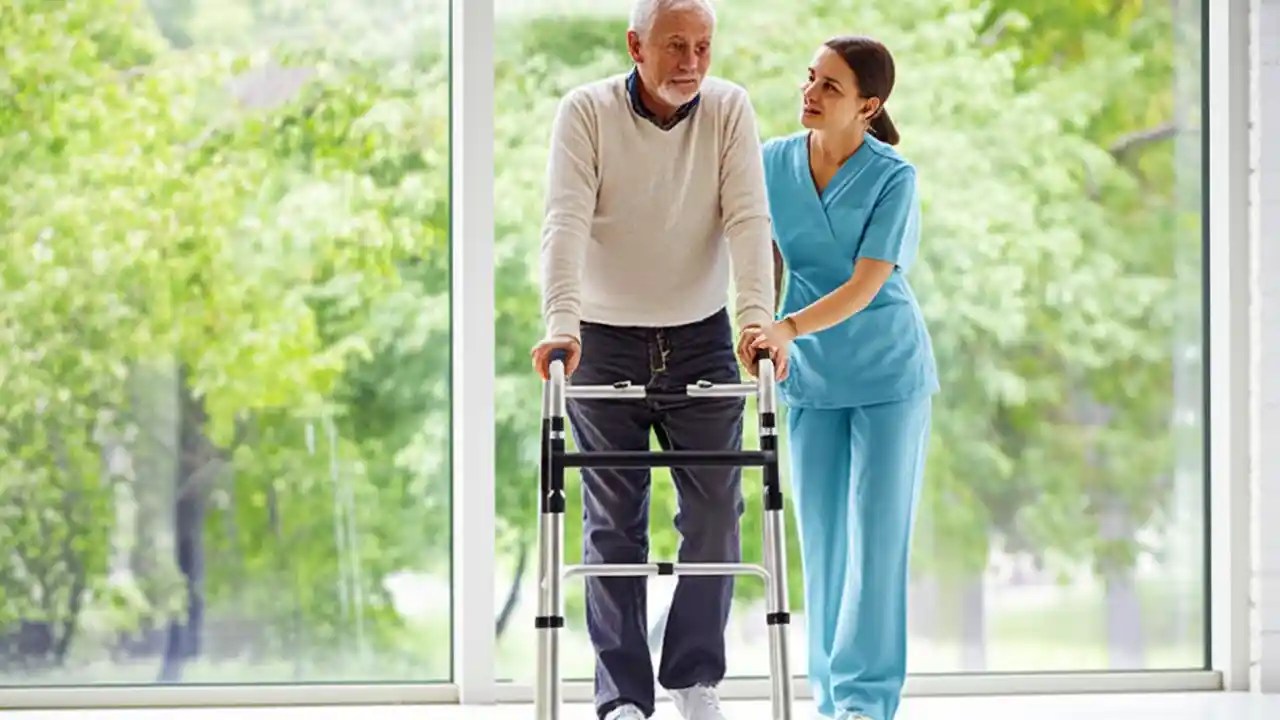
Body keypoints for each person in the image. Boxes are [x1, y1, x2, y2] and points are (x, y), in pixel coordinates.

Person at [529, 2, 786, 719]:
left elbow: (748, 218)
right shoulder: (585, 111)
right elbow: (565, 218)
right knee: (613, 523)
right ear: (635, 45)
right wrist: (561, 323)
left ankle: (692, 677)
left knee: (716, 510)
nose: (692, 62)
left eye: (704, 46)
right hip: (602, 338)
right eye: (676, 46)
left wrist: (756, 321)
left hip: (700, 333)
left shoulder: (730, 109)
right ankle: (623, 698)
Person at [746, 36, 940, 720]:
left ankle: (866, 703)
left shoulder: (894, 176)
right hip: (811, 377)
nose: (810, 92)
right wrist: (755, 327)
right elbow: (761, 257)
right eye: (810, 79)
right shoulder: (771, 162)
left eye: (830, 86)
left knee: (877, 541)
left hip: (888, 372)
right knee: (822, 541)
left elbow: (865, 284)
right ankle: (829, 698)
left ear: (868, 105)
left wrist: (788, 328)